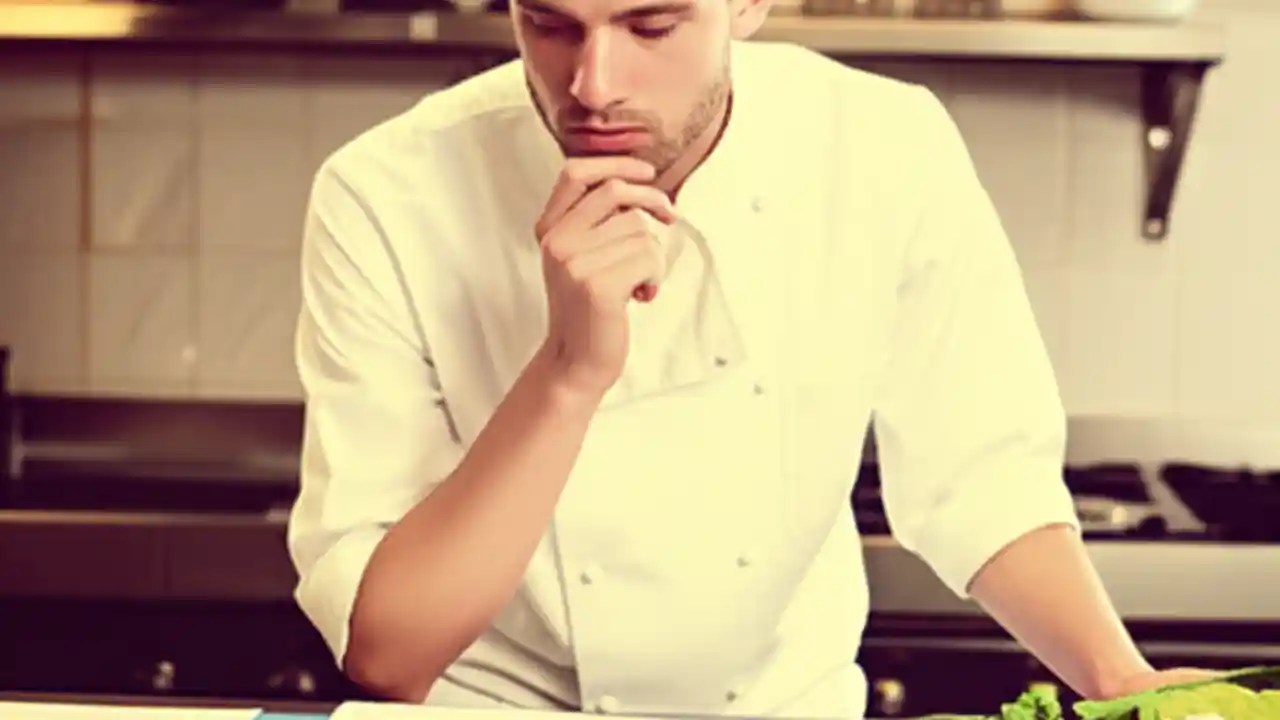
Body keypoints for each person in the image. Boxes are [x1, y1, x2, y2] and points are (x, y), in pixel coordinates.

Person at [285, 0, 1215, 716]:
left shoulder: (886, 145)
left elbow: (982, 482)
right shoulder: (383, 194)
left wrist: (1123, 682)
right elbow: (388, 652)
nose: (594, 82)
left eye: (652, 23)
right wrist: (570, 371)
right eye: (549, 23)